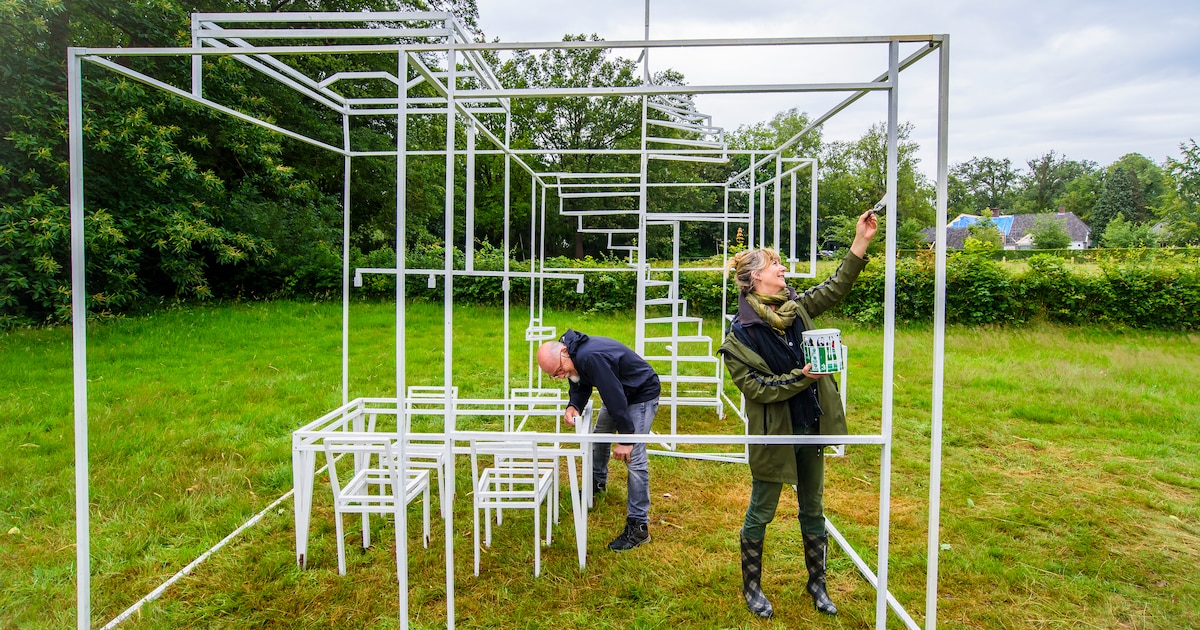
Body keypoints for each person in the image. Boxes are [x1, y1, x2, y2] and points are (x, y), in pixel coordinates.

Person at [718, 208, 877, 618]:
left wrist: (860, 242)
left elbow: (835, 287)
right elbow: (755, 389)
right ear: (754, 278)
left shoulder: (796, 308)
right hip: (774, 433)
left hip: (811, 422)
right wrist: (803, 376)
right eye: (775, 265)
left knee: (813, 506)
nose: (783, 269)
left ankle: (817, 583)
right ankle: (751, 586)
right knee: (762, 508)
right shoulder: (738, 336)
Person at [537, 330, 660, 551]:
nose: (561, 376)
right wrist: (573, 405)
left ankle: (639, 526)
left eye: (558, 371)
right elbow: (580, 383)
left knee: (634, 456)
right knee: (599, 437)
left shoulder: (589, 356)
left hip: (640, 392)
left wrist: (627, 438)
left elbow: (613, 395)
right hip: (619, 393)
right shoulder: (574, 356)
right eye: (555, 376)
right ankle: (597, 483)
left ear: (564, 352)